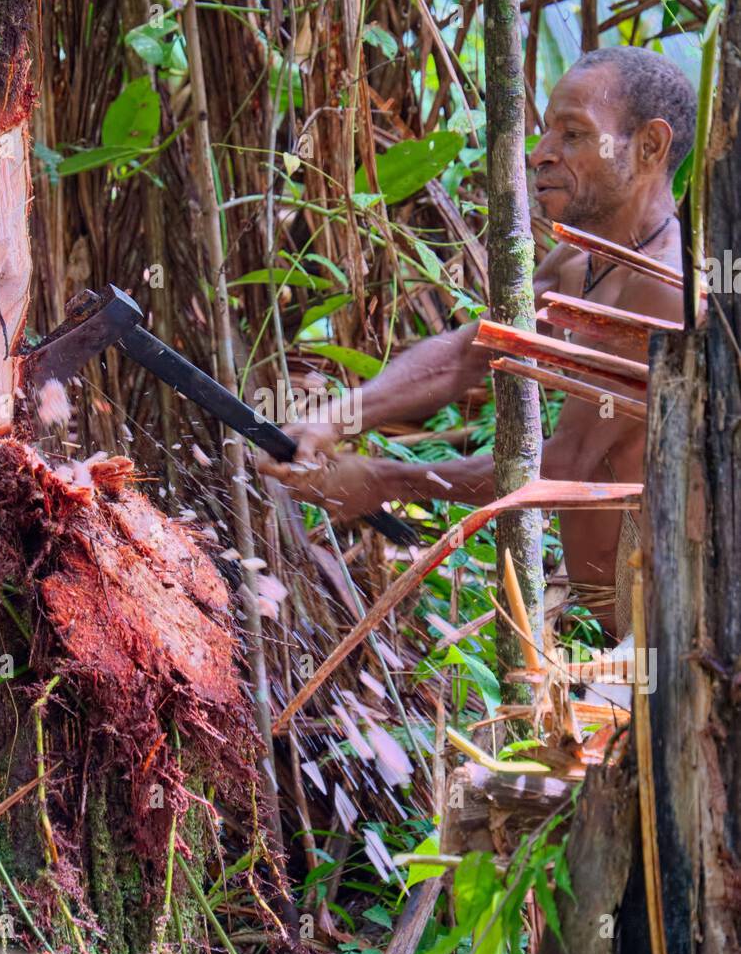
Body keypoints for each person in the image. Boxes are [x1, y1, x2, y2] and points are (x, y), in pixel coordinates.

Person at [257, 47, 697, 640]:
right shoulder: (581, 257)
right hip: (636, 641)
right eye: (545, 131)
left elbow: (564, 465)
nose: (541, 154)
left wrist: (386, 480)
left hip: (681, 650)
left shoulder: (667, 292)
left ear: (648, 146)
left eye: (573, 134)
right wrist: (339, 417)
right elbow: (471, 352)